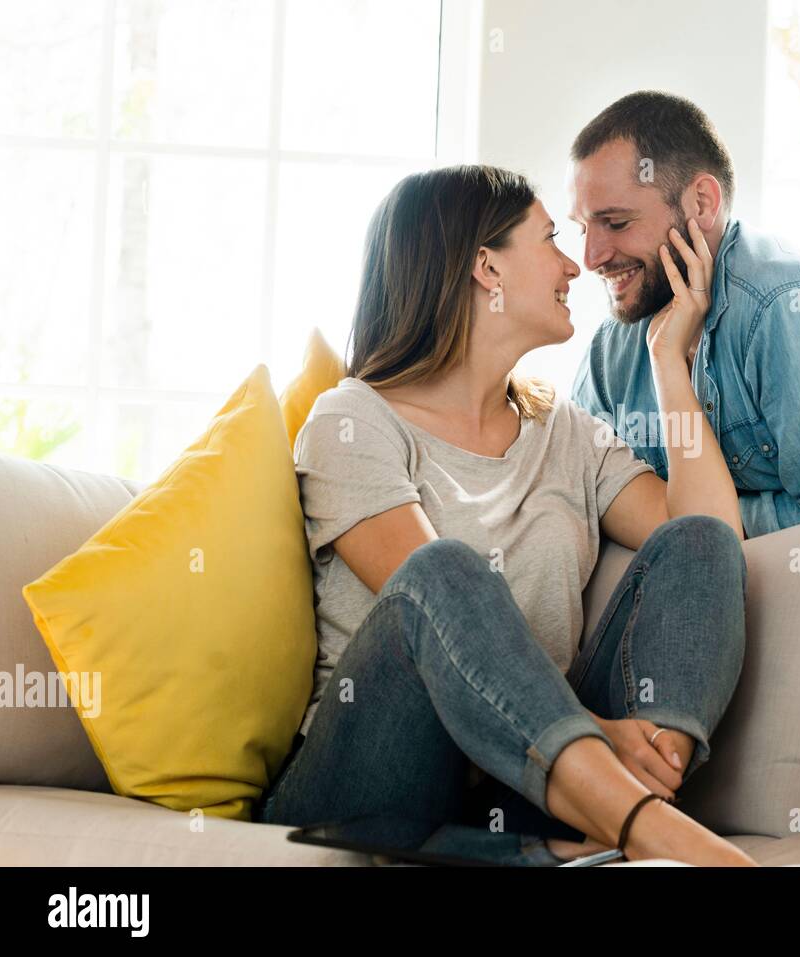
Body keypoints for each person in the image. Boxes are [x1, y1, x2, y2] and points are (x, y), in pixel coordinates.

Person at [253, 164, 757, 867]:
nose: (575, 264)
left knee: (698, 543)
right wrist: (597, 735)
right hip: (373, 781)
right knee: (444, 571)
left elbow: (714, 536)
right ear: (486, 267)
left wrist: (669, 358)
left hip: (526, 789)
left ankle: (600, 831)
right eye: (551, 237)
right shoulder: (353, 421)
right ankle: (653, 837)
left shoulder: (566, 432)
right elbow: (432, 607)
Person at [569, 90, 800, 536]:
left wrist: (695, 518)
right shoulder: (615, 346)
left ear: (702, 203)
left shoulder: (790, 310)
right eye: (582, 227)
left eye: (617, 223)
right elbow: (582, 497)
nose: (591, 257)